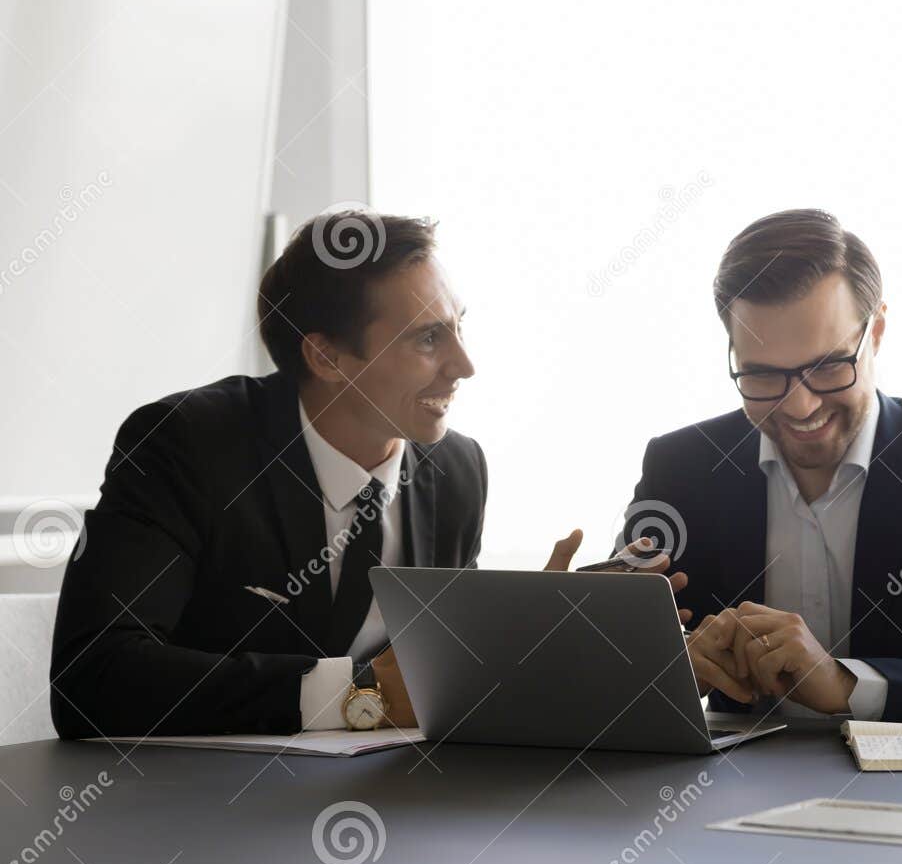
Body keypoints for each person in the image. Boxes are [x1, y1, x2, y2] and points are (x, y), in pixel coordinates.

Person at [49, 210, 650, 738]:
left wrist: (526, 633)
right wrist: (357, 695)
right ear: (326, 357)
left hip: (397, 803)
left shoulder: (457, 469)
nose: (464, 365)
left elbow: (431, 677)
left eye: (459, 327)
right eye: (429, 338)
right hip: (194, 809)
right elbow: (91, 679)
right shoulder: (185, 444)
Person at [621, 208, 902, 725]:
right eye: (762, 376)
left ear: (876, 332)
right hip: (726, 774)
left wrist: (848, 684)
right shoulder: (680, 468)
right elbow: (621, 654)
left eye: (828, 366)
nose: (799, 406)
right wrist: (664, 665)